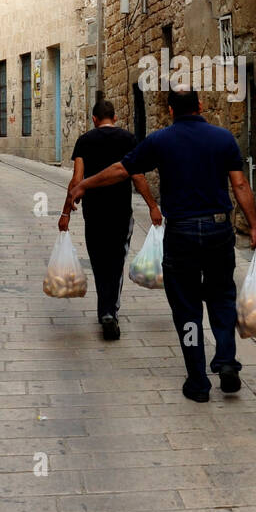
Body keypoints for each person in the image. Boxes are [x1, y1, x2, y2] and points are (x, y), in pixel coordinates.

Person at [69, 88, 256, 402]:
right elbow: (240, 185)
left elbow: (123, 170)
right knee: (222, 298)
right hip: (218, 229)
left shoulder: (161, 140)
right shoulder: (223, 138)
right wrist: (255, 227)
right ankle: (227, 361)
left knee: (187, 307)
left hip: (182, 233)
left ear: (171, 110)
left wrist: (84, 185)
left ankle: (199, 381)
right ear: (200, 106)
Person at [59, 99, 161, 341]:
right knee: (115, 262)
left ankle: (105, 309)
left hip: (93, 213)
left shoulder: (85, 140)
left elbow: (76, 180)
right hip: (120, 212)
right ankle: (108, 312)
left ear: (94, 119)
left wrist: (65, 213)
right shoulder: (128, 139)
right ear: (114, 118)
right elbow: (137, 177)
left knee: (99, 261)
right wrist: (153, 206)